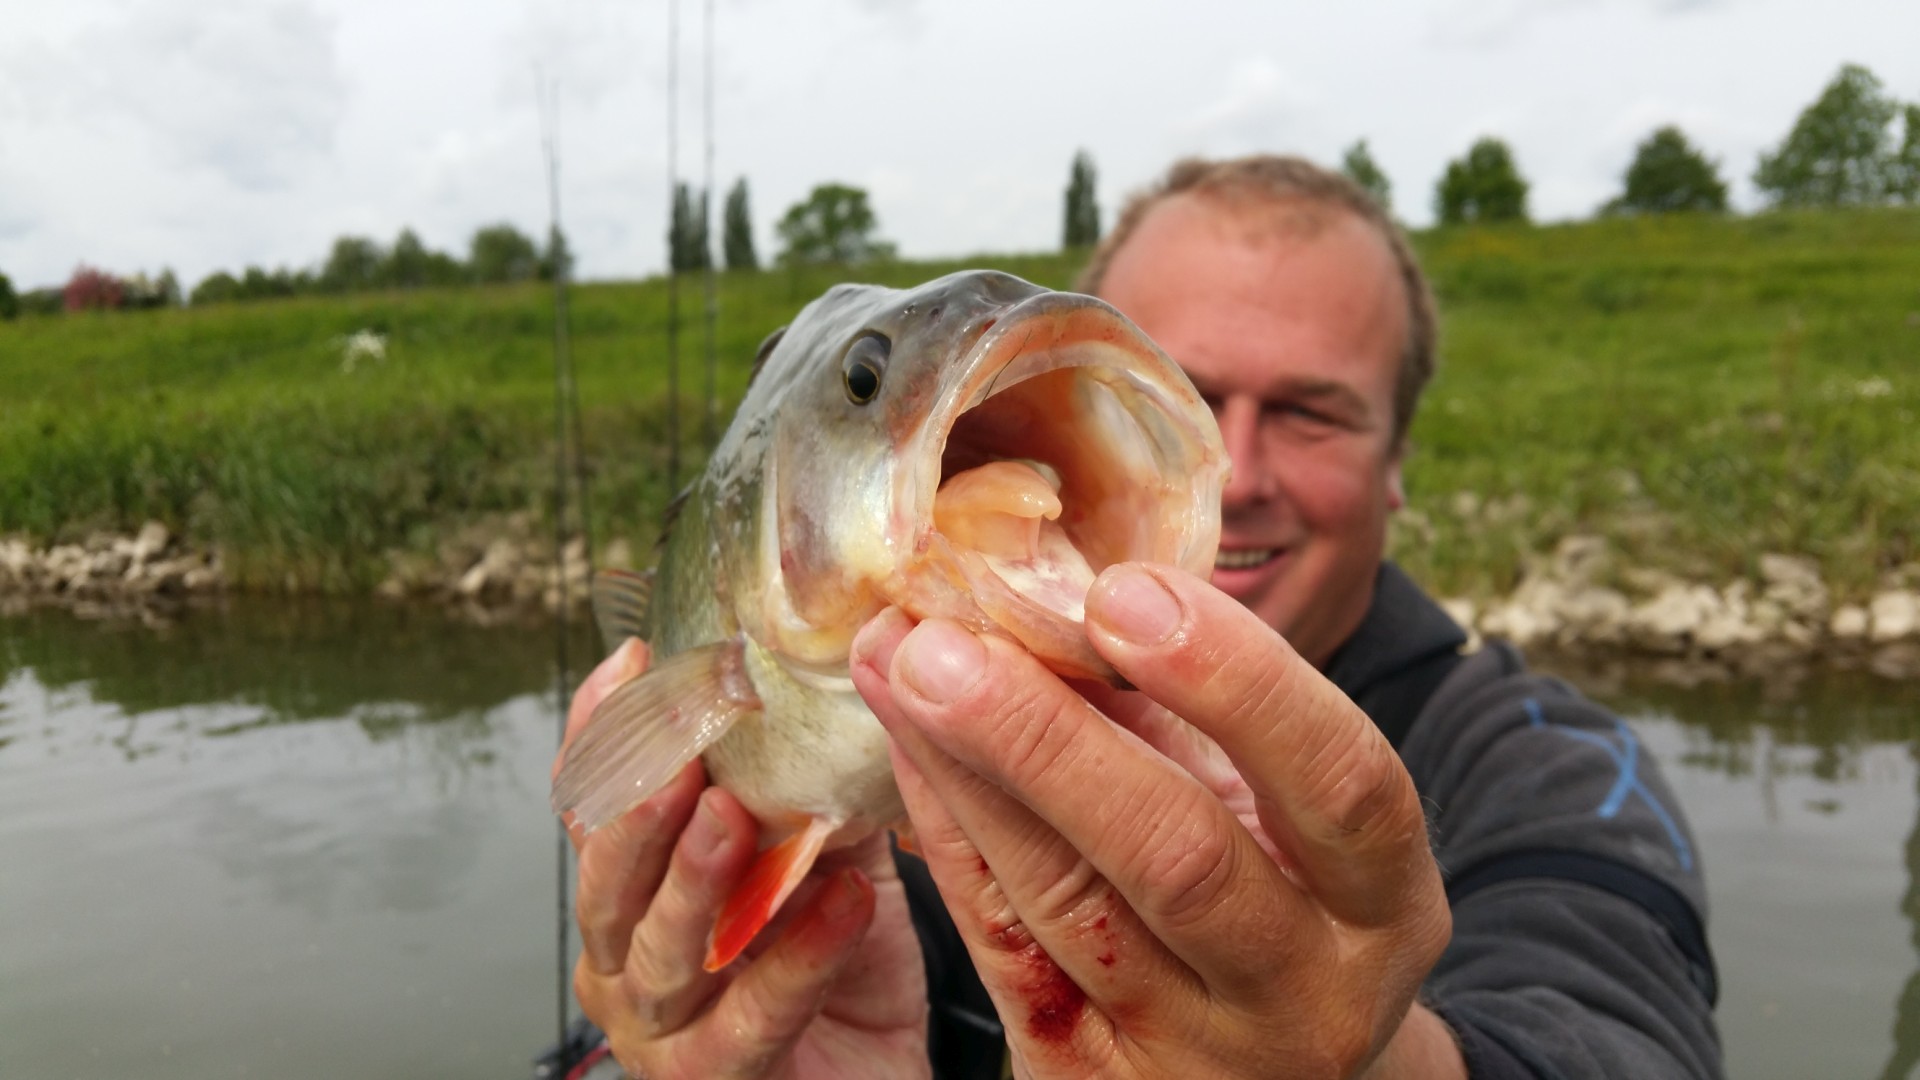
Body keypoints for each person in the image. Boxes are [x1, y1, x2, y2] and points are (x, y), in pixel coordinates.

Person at [555, 155, 1721, 1079]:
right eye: (1197, 390)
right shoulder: (888, 785)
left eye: (1315, 413)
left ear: (1399, 462)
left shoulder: (1545, 768)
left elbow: (1619, 1034)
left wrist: (1374, 1070)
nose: (1244, 466)